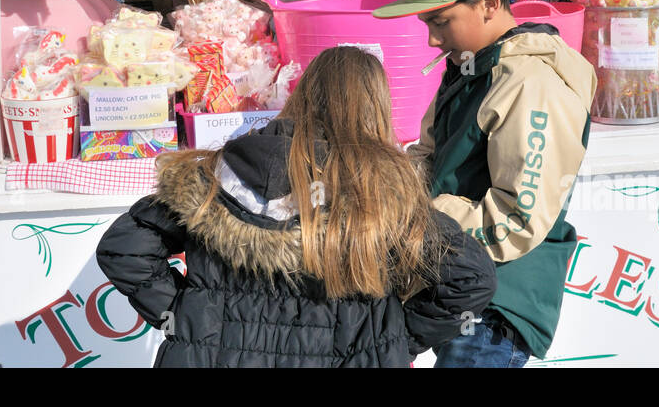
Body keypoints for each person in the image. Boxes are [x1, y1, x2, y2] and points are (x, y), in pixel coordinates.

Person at [95, 46, 497, 367]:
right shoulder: (382, 189)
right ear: (376, 107)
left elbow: (126, 246)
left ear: (302, 93)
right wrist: (396, 337)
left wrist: (184, 313)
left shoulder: (216, 174)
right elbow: (470, 277)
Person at [372, 0, 597, 368]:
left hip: (498, 305)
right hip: (458, 286)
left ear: (489, 4)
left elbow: (517, 219)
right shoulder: (471, 67)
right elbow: (429, 156)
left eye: (441, 21)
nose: (434, 41)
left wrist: (421, 221)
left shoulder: (531, 83)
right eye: (427, 26)